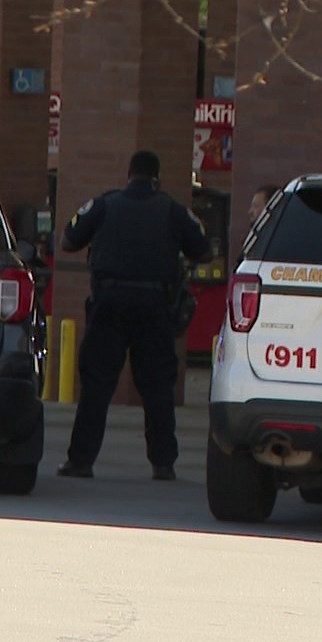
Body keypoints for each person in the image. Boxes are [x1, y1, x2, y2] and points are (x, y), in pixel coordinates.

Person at [57, 150, 210, 481]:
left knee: (96, 384)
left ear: (128, 175)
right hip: (155, 305)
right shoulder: (172, 210)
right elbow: (203, 249)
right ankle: (163, 463)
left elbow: (67, 241)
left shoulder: (104, 205)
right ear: (156, 178)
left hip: (109, 303)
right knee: (157, 387)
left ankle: (81, 461)